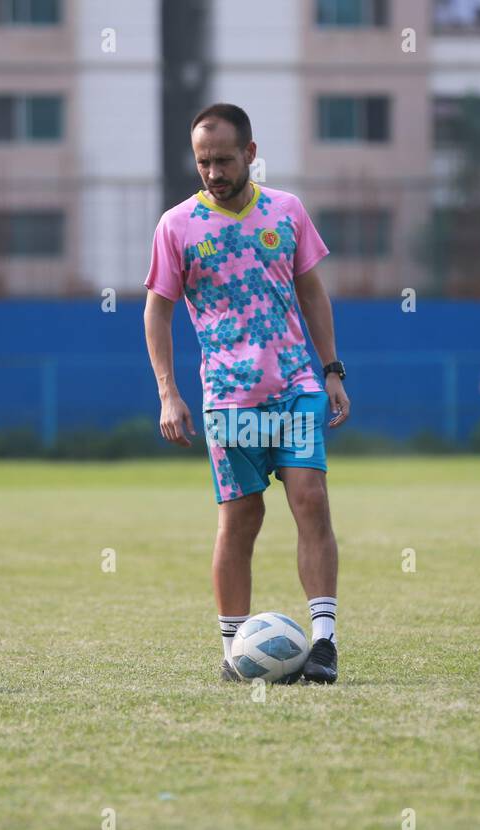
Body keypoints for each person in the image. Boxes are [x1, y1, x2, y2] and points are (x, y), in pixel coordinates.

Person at [142, 103, 350, 684]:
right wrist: (168, 393)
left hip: (296, 385)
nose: (212, 172)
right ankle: (235, 648)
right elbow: (156, 314)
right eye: (203, 162)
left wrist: (332, 369)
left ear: (251, 155)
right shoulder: (176, 226)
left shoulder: (286, 212)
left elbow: (313, 294)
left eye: (224, 160)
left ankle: (325, 644)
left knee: (310, 497)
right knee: (242, 517)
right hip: (229, 399)